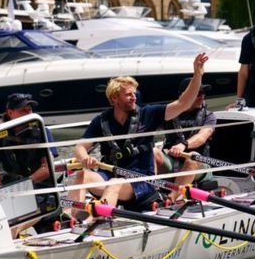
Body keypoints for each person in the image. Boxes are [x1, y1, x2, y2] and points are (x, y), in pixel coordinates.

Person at [70, 53, 208, 212]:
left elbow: (183, 103)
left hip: (141, 181)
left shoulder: (148, 114)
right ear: (114, 98)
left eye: (134, 93)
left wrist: (197, 74)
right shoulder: (101, 121)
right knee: (82, 176)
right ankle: (68, 218)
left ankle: (92, 222)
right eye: (128, 94)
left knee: (115, 184)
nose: (134, 98)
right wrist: (84, 158)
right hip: (109, 175)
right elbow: (80, 147)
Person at [155, 78, 216, 194]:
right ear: (185, 95)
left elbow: (203, 136)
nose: (202, 96)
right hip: (173, 161)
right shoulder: (169, 112)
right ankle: (151, 194)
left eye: (203, 93)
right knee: (153, 152)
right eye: (198, 93)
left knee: (192, 157)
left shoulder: (209, 116)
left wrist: (184, 145)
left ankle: (171, 199)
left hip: (199, 164)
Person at [0, 93, 59, 189]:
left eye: (30, 110)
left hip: (39, 188)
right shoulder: (2, 137)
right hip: (10, 187)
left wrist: (22, 186)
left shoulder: (43, 133)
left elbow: (47, 168)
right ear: (10, 113)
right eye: (23, 110)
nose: (28, 114)